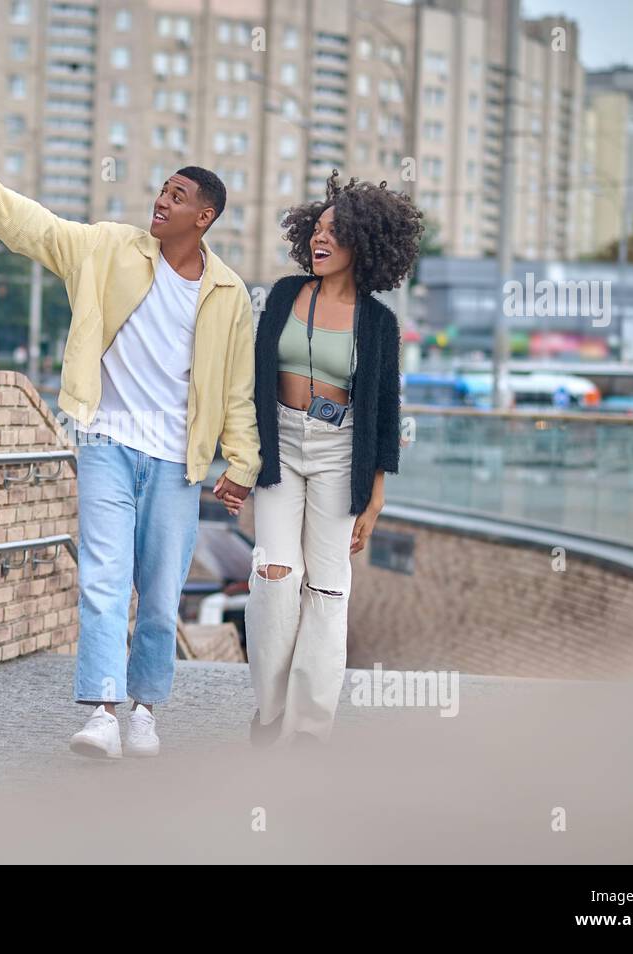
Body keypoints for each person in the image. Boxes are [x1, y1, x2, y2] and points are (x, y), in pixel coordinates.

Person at [0, 141, 260, 759]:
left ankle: (144, 710)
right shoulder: (107, 248)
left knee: (158, 594)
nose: (162, 200)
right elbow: (34, 228)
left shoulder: (229, 294)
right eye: (162, 189)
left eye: (178, 196)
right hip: (105, 441)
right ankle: (101, 711)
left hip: (176, 462)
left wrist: (241, 463)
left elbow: (236, 388)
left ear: (204, 216)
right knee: (103, 579)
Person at [242, 171, 422, 746]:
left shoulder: (379, 324)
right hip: (281, 446)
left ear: (363, 246)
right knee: (274, 575)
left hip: (340, 452)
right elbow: (250, 383)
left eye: (333, 234)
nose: (320, 241)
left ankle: (309, 728)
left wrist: (377, 495)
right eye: (315, 230)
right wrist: (239, 461)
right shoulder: (283, 297)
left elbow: (386, 413)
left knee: (327, 589)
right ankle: (270, 712)